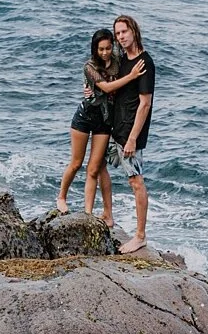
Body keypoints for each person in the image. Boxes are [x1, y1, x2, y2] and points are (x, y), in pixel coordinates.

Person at [56, 29, 145, 221]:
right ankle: (62, 196)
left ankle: (88, 214)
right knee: (76, 162)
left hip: (104, 121)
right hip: (84, 117)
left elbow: (130, 51)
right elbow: (106, 87)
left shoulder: (117, 61)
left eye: (107, 48)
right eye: (100, 49)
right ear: (95, 49)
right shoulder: (89, 66)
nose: (104, 52)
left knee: (94, 168)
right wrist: (132, 76)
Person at [108, 14, 155, 254]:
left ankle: (140, 236)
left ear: (134, 31)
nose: (121, 37)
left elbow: (145, 104)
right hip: (116, 129)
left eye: (124, 31)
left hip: (130, 133)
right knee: (97, 166)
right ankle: (107, 216)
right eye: (117, 33)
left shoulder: (144, 63)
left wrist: (133, 138)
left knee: (136, 182)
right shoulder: (123, 60)